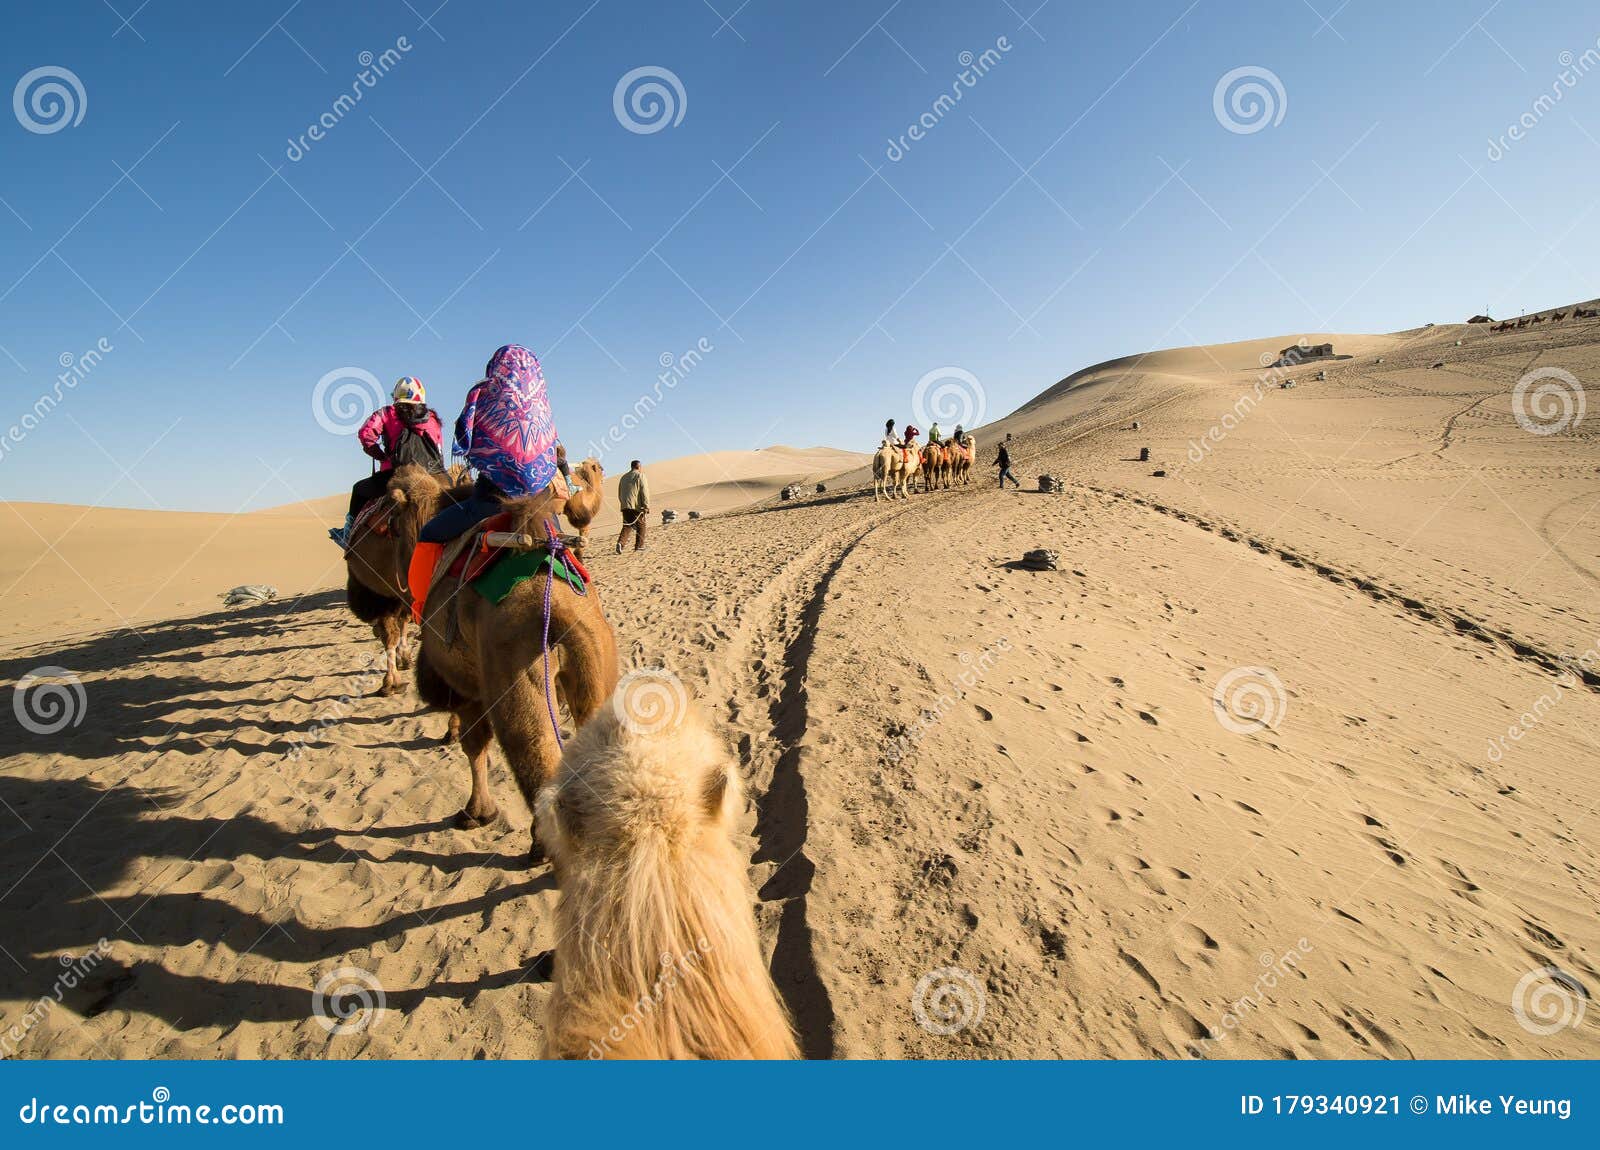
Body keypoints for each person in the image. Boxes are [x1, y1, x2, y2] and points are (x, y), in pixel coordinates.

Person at [330, 377, 443, 547]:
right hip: (433, 477)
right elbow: (438, 448)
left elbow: (366, 435)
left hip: (397, 475)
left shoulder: (387, 413)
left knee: (359, 490)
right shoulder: (432, 419)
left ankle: (347, 535)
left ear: (397, 395)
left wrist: (380, 456)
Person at [616, 460, 650, 553]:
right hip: (636, 506)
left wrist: (623, 503)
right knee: (641, 525)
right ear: (639, 467)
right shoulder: (640, 476)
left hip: (625, 505)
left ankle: (620, 543)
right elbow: (644, 491)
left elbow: (619, 493)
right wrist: (646, 506)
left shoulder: (623, 477)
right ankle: (639, 546)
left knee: (627, 526)